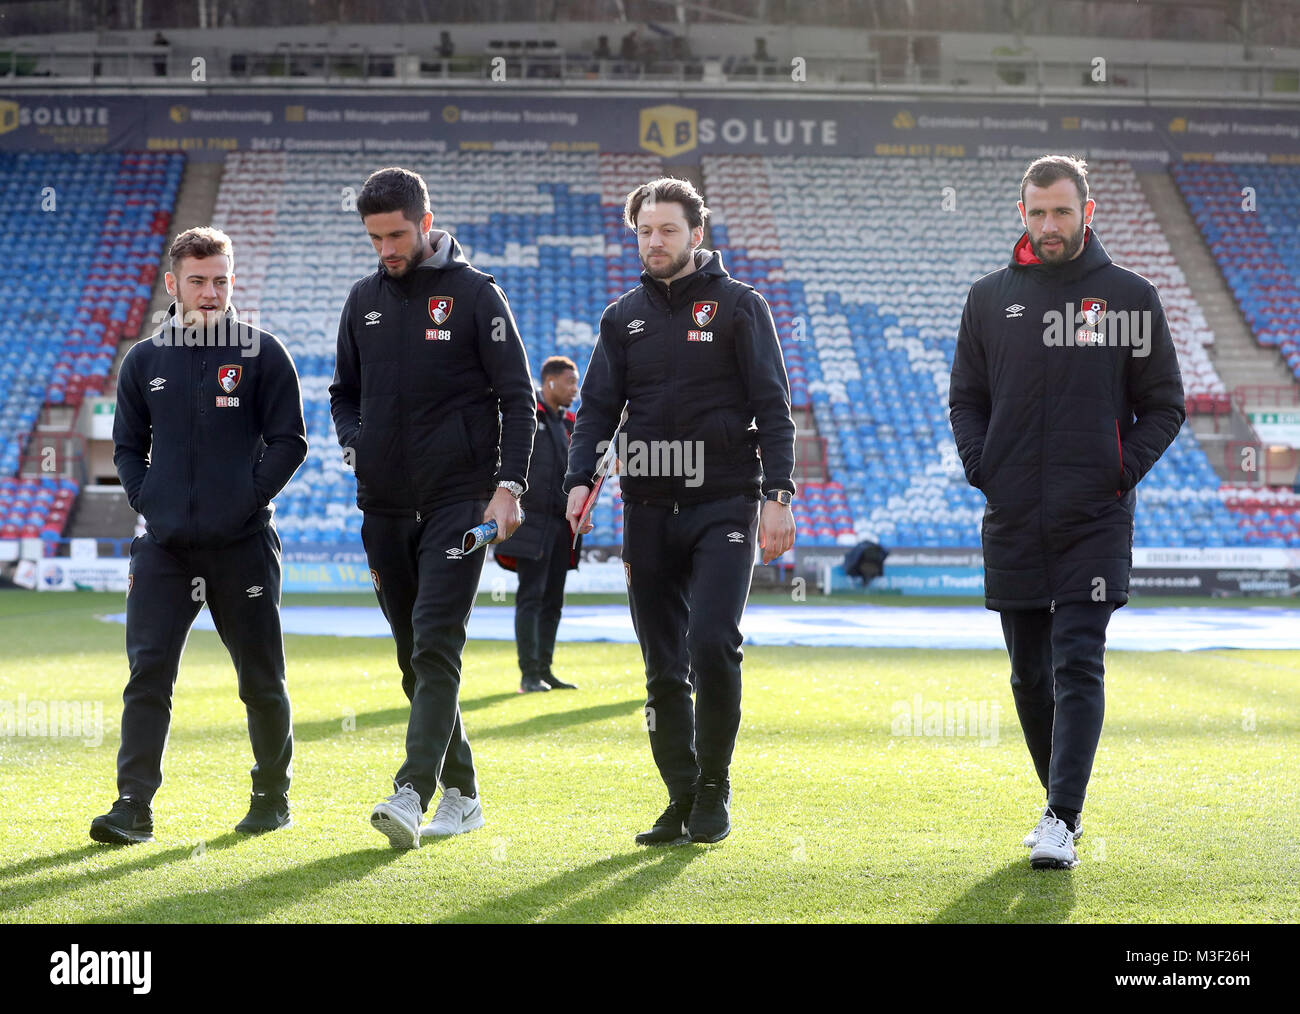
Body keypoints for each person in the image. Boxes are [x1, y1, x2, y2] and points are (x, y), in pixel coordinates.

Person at [949, 155, 1185, 870]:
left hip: (1094, 516)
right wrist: (984, 467)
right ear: (1021, 214)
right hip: (1015, 513)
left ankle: (1061, 816)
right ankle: (1058, 804)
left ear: (1088, 211)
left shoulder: (1129, 297)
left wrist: (1116, 473)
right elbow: (966, 398)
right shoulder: (990, 298)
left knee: (1077, 661)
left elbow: (1165, 405)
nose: (1048, 225)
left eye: (1060, 210)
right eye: (1036, 212)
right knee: (1027, 676)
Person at [565, 177, 797, 846]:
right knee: (663, 665)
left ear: (697, 234)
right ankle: (681, 794)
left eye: (667, 230)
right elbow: (598, 411)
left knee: (713, 643)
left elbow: (773, 408)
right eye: (644, 231)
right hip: (646, 509)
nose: (654, 241)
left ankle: (715, 788)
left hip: (724, 502)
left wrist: (776, 497)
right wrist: (580, 480)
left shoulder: (740, 307)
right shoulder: (621, 317)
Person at [330, 167, 535, 850]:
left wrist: (509, 487)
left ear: (424, 220)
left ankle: (411, 791)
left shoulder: (478, 296)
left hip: (461, 502)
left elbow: (518, 400)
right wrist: (355, 441)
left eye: (395, 233)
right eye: (374, 237)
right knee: (411, 657)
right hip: (383, 504)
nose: (386, 248)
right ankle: (466, 795)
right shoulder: (363, 299)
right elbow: (343, 392)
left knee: (437, 639)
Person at [91, 226, 307, 845]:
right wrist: (148, 500)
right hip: (164, 546)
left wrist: (242, 501)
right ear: (173, 284)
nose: (211, 292)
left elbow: (291, 442)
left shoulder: (262, 352)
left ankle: (272, 796)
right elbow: (128, 446)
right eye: (198, 280)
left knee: (260, 677)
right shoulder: (145, 359)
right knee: (148, 674)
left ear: (231, 280)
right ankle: (132, 806)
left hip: (241, 545)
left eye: (221, 279)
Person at [495, 356, 581, 694]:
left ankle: (545, 670)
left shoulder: (570, 423)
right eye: (570, 382)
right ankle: (528, 674)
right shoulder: (528, 417)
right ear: (550, 383)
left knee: (553, 600)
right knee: (531, 597)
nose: (575, 389)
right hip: (531, 523)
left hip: (561, 527)